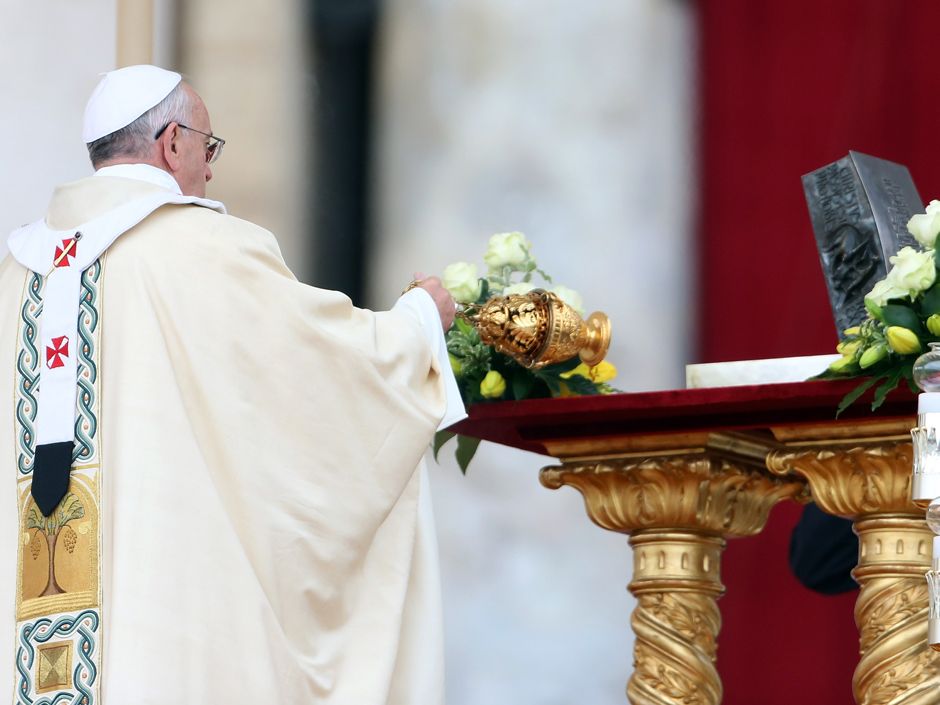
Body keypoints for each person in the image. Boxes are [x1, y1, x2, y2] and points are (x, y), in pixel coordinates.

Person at [0, 65, 464, 704]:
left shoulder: (14, 276)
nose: (210, 170)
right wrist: (417, 324)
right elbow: (328, 372)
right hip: (171, 635)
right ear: (172, 144)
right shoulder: (206, 248)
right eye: (207, 147)